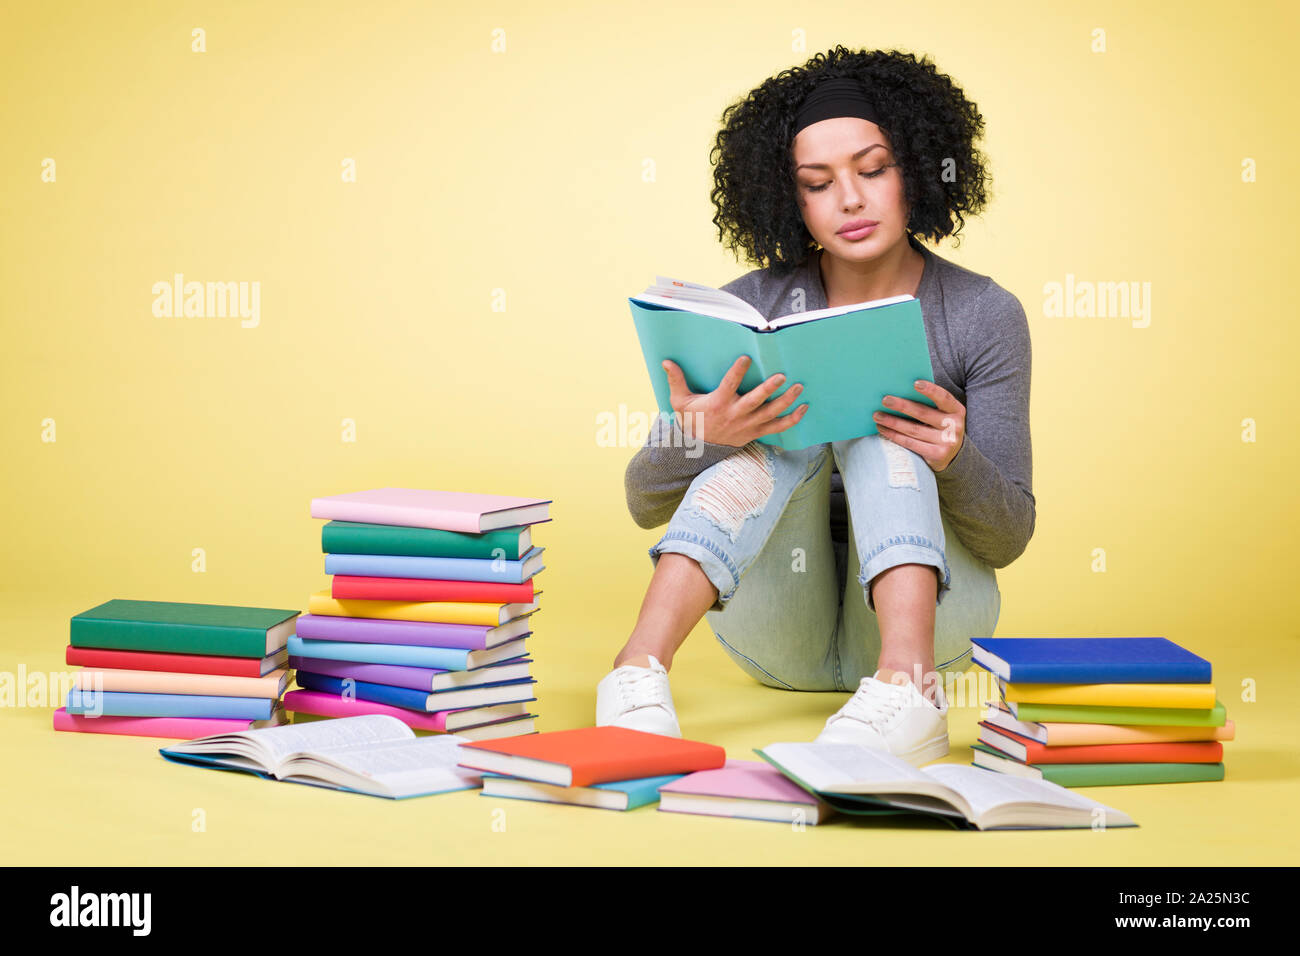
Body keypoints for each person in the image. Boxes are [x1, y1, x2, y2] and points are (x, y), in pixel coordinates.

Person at [596, 46, 1034, 765]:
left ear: (916, 171)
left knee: (883, 423)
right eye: (818, 183)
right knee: (776, 429)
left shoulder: (984, 313)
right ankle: (636, 669)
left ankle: (909, 692)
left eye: (873, 169)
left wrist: (953, 456)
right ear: (790, 198)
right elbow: (643, 499)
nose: (851, 201)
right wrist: (701, 436)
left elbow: (1009, 537)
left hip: (937, 623)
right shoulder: (746, 308)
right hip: (776, 629)